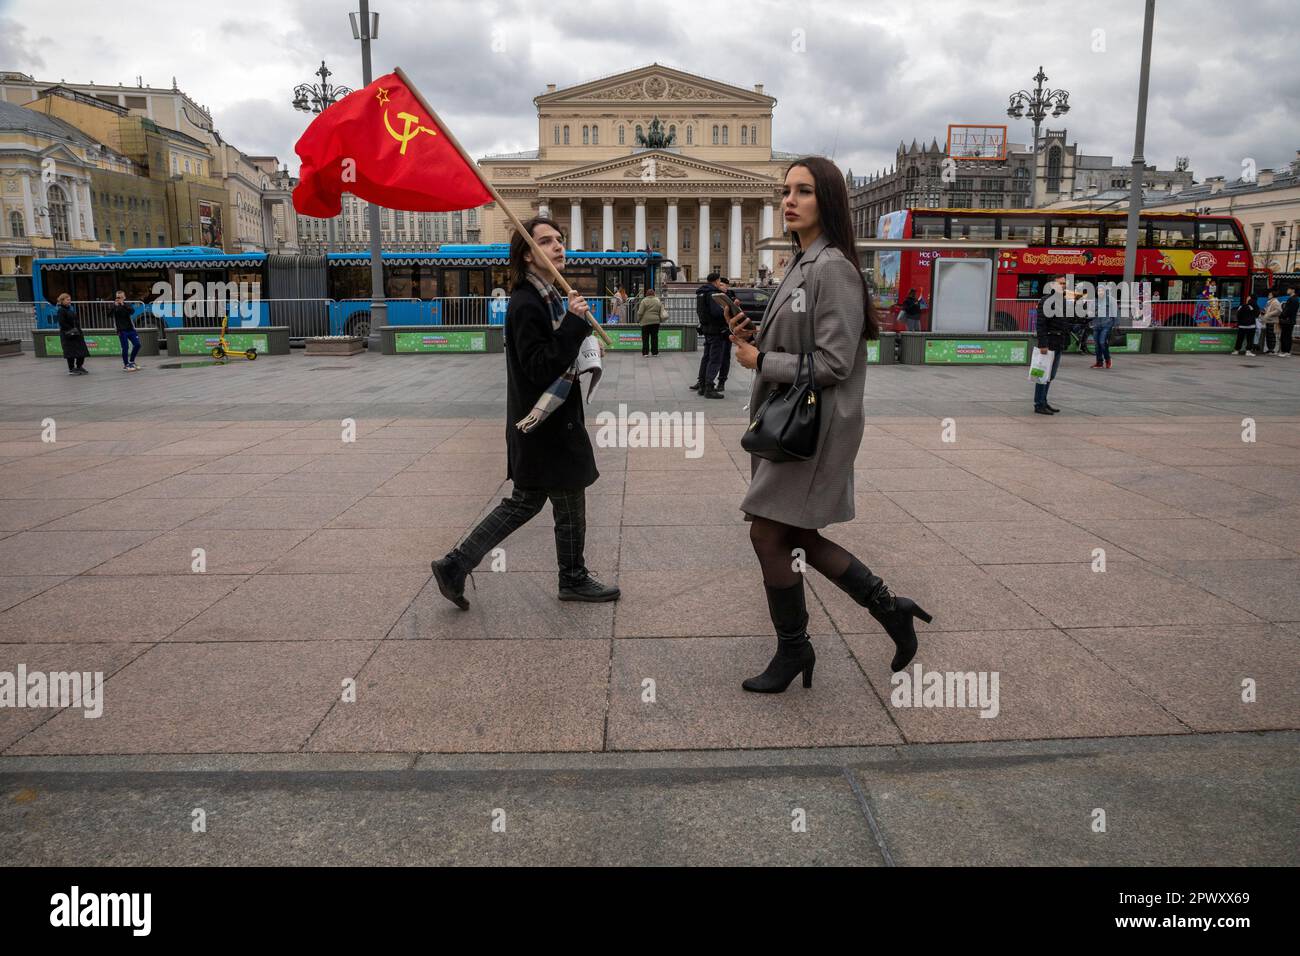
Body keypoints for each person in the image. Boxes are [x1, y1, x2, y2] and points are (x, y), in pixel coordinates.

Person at [727, 155, 931, 694]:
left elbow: (836, 363)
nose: (789, 200)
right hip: (795, 423)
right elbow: (802, 341)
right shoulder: (801, 263)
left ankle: (796, 648)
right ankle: (891, 611)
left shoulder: (833, 267)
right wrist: (754, 338)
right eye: (786, 191)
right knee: (794, 535)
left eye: (804, 191)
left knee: (768, 532)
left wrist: (759, 362)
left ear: (829, 201)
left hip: (816, 429)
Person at [430, 216, 619, 607]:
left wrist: (583, 343)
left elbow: (556, 357)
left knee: (526, 502)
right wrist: (572, 324)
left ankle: (456, 565)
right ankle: (572, 578)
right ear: (527, 255)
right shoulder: (527, 303)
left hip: (547, 424)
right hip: (545, 426)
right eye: (547, 242)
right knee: (564, 500)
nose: (559, 247)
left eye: (560, 239)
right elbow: (538, 366)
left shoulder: (548, 297)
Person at [1034, 274, 1072, 414]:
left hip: (1058, 342)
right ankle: (1038, 404)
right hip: (1049, 342)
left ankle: (1043, 401)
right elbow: (1041, 324)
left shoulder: (1062, 301)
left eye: (1064, 284)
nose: (1063, 286)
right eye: (1060, 283)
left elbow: (1065, 322)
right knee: (1043, 374)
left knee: (1051, 375)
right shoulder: (1046, 301)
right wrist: (1042, 344)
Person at [689, 272, 727, 399]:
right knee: (715, 359)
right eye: (719, 281)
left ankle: (702, 385)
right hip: (716, 329)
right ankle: (709, 387)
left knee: (706, 357)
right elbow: (716, 313)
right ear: (716, 280)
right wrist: (726, 311)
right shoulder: (712, 294)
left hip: (706, 328)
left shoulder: (701, 293)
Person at [55, 293, 88, 375]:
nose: (69, 301)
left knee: (82, 351)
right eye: (67, 299)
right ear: (62, 301)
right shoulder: (61, 310)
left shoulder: (70, 309)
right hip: (68, 335)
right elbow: (62, 323)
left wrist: (77, 330)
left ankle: (79, 366)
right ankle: (72, 368)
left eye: (69, 299)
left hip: (76, 334)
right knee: (70, 352)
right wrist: (72, 330)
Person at [109, 290, 141, 371]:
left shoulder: (127, 305)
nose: (119, 299)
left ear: (124, 297)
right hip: (121, 330)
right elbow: (108, 315)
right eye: (117, 297)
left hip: (130, 328)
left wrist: (123, 304)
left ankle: (132, 361)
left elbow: (132, 311)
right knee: (125, 347)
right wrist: (114, 306)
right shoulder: (114, 306)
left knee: (137, 344)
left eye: (121, 297)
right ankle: (126, 365)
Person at [1091, 282, 1118, 369]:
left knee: (1102, 342)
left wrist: (1116, 324)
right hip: (1096, 325)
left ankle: (1108, 359)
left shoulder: (1111, 300)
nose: (1100, 292)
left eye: (1102, 290)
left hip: (1106, 324)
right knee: (1096, 344)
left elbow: (1115, 312)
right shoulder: (1094, 301)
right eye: (1098, 290)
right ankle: (1099, 362)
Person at [635, 285, 664, 356]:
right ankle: (655, 352)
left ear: (646, 294)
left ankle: (645, 353)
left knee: (645, 338)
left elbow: (640, 312)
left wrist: (638, 319)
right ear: (654, 294)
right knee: (654, 337)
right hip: (656, 322)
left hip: (645, 322)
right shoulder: (658, 301)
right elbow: (661, 311)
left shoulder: (644, 301)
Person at [1279, 285, 1297, 357]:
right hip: (1291, 320)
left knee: (1285, 336)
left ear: (1293, 290)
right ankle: (1286, 351)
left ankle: (1285, 351)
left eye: (1288, 289)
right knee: (1287, 336)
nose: (1287, 290)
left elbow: (1288, 310)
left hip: (1287, 321)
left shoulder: (1291, 299)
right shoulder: (1295, 299)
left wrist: (1282, 315)